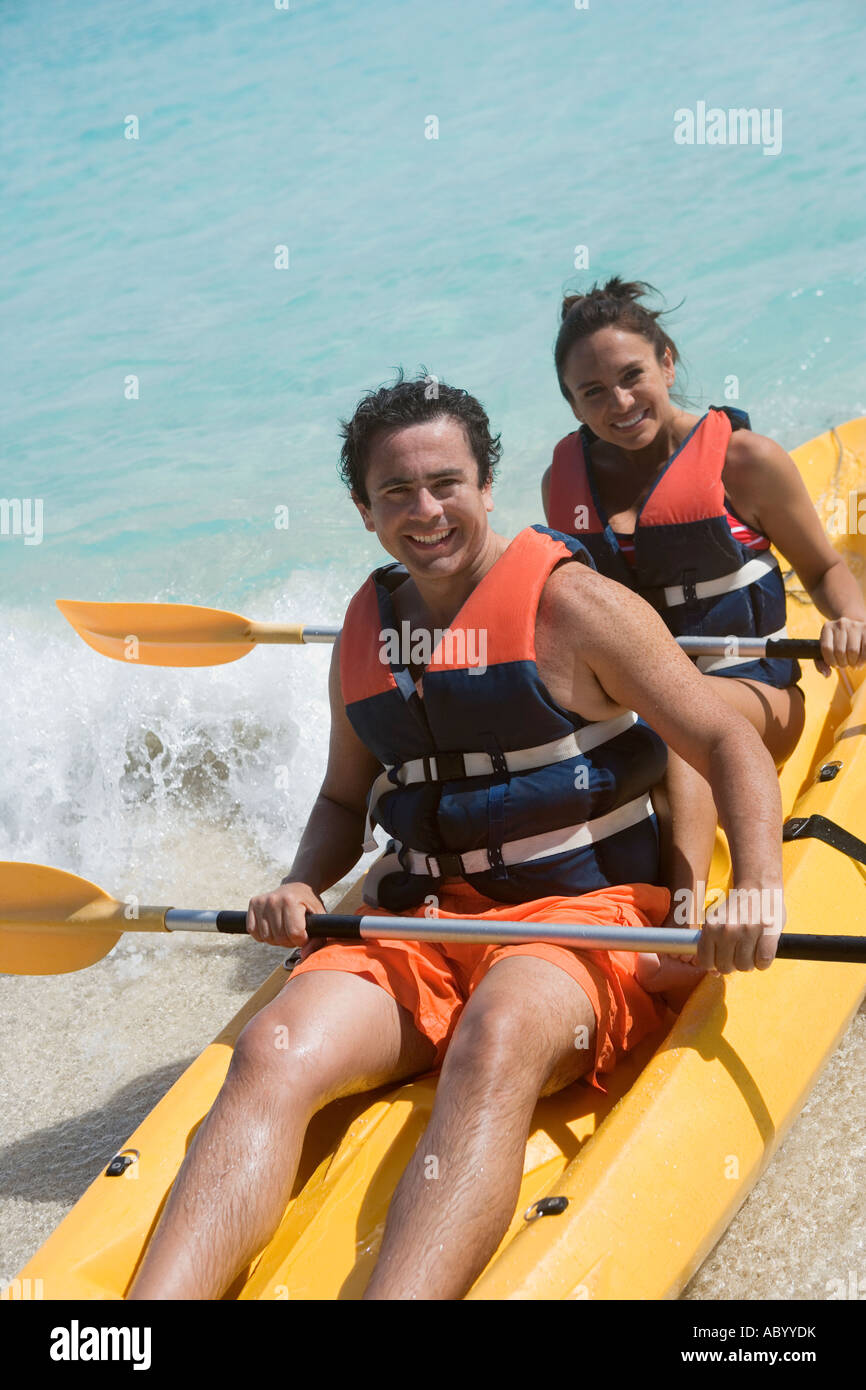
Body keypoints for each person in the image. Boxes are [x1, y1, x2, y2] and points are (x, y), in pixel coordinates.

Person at [128, 372, 787, 1303]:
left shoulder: (575, 606)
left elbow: (725, 738)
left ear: (486, 486)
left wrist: (755, 886)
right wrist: (304, 883)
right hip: (426, 923)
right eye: (397, 491)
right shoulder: (369, 625)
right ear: (364, 509)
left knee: (499, 1033)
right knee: (272, 1048)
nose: (426, 510)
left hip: (584, 920)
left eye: (447, 483)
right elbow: (340, 800)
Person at [542, 278, 866, 966]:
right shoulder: (564, 480)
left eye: (632, 376)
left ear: (668, 361)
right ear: (571, 403)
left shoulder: (745, 461)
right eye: (592, 392)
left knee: (681, 716)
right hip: (637, 696)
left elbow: (827, 571)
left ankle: (681, 923)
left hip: (756, 693)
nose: (619, 403)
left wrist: (850, 621)